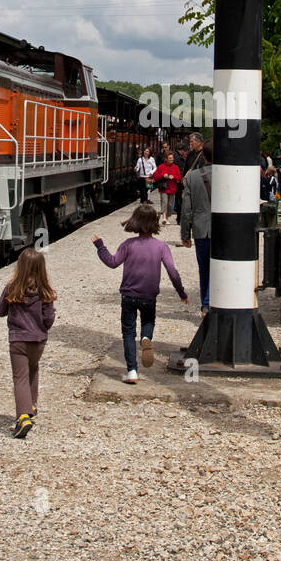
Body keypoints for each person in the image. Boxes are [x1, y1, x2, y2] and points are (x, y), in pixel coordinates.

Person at [92, 204, 188, 382]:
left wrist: (100, 246)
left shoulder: (128, 245)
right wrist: (181, 293)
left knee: (128, 333)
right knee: (148, 321)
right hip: (149, 296)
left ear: (134, 221)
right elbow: (172, 272)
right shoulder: (161, 247)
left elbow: (112, 262)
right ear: (155, 223)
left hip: (129, 296)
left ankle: (132, 371)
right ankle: (146, 338)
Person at [0, 247, 57, 439]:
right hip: (38, 341)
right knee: (33, 369)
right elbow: (49, 319)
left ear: (19, 266)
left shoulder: (12, 288)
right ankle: (31, 406)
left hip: (18, 340)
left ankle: (22, 417)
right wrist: (42, 326)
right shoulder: (45, 291)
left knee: (20, 377)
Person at [180, 138, 213, 315]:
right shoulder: (229, 175)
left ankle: (205, 304)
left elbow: (186, 210)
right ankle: (213, 301)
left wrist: (185, 235)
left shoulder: (192, 177)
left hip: (201, 230)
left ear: (204, 156)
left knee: (204, 269)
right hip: (224, 230)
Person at [153, 151, 182, 224]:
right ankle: (164, 218)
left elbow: (179, 178)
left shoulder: (175, 167)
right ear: (165, 159)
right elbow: (155, 177)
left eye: (172, 158)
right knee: (164, 202)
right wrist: (162, 175)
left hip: (172, 188)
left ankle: (167, 218)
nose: (172, 159)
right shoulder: (161, 167)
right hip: (164, 188)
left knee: (170, 204)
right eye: (170, 158)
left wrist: (174, 177)